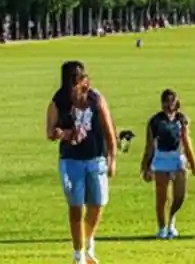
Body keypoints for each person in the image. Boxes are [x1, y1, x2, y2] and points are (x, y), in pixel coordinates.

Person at [47, 61, 117, 264]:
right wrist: (63, 133)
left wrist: (112, 158)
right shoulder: (59, 102)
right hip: (71, 160)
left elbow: (108, 129)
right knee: (76, 206)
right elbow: (50, 132)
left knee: (97, 203)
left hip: (96, 158)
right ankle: (79, 254)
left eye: (76, 80)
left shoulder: (95, 99)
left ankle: (88, 242)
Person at [141, 89, 195, 240]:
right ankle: (162, 227)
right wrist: (145, 166)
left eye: (171, 101)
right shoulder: (155, 121)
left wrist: (192, 161)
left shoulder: (181, 119)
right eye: (165, 101)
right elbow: (149, 145)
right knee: (162, 197)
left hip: (178, 158)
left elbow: (186, 140)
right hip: (161, 159)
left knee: (180, 196)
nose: (168, 105)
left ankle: (171, 218)